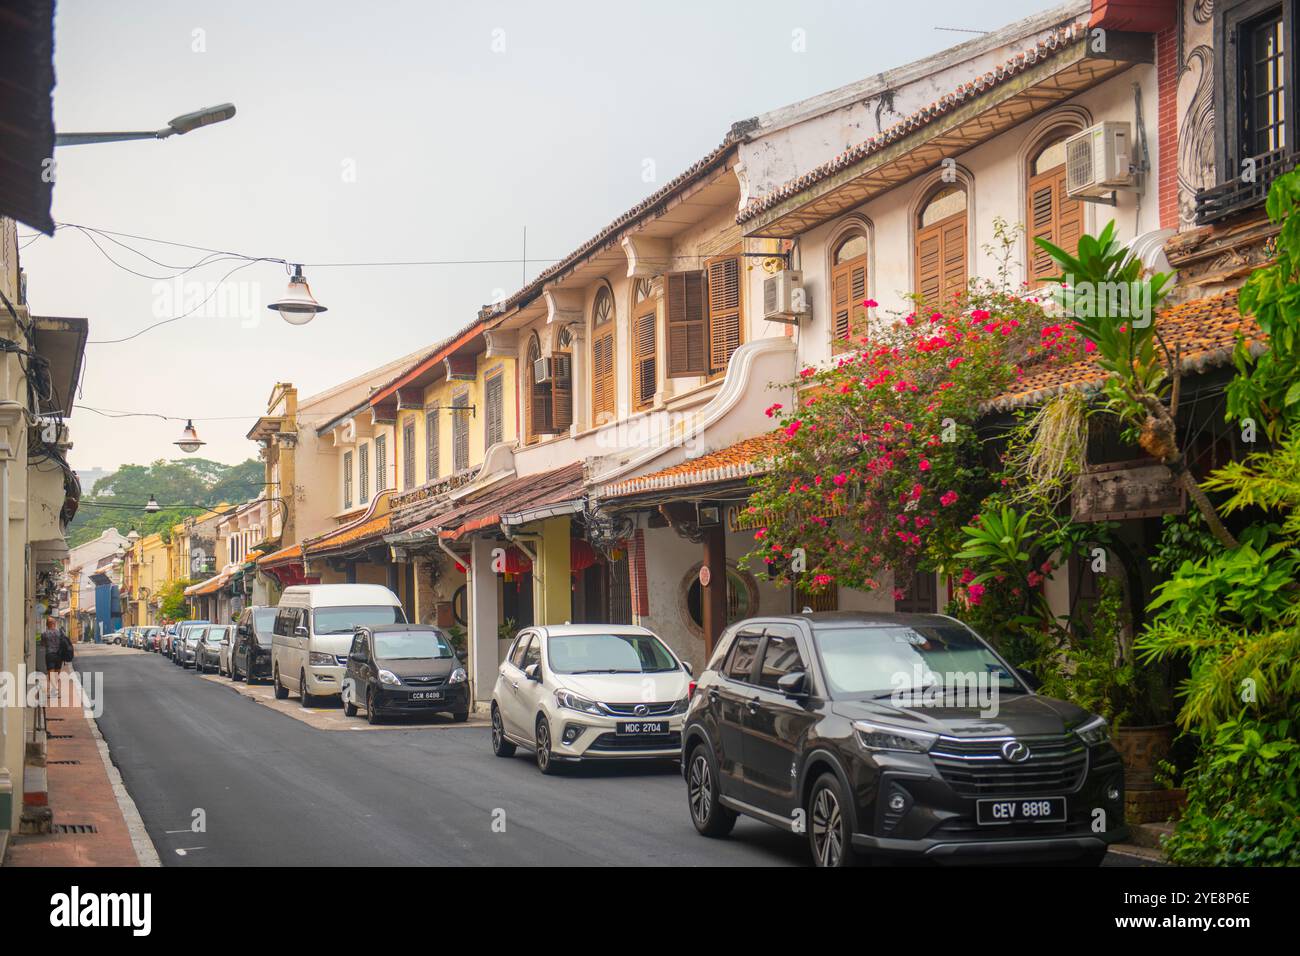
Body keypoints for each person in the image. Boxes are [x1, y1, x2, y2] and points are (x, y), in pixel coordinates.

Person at [41, 617, 62, 703]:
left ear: (47, 624)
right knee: (56, 674)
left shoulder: (44, 634)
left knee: (51, 674)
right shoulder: (59, 633)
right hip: (59, 656)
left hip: (49, 655)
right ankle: (55, 690)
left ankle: (54, 690)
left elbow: (43, 644)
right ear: (54, 623)